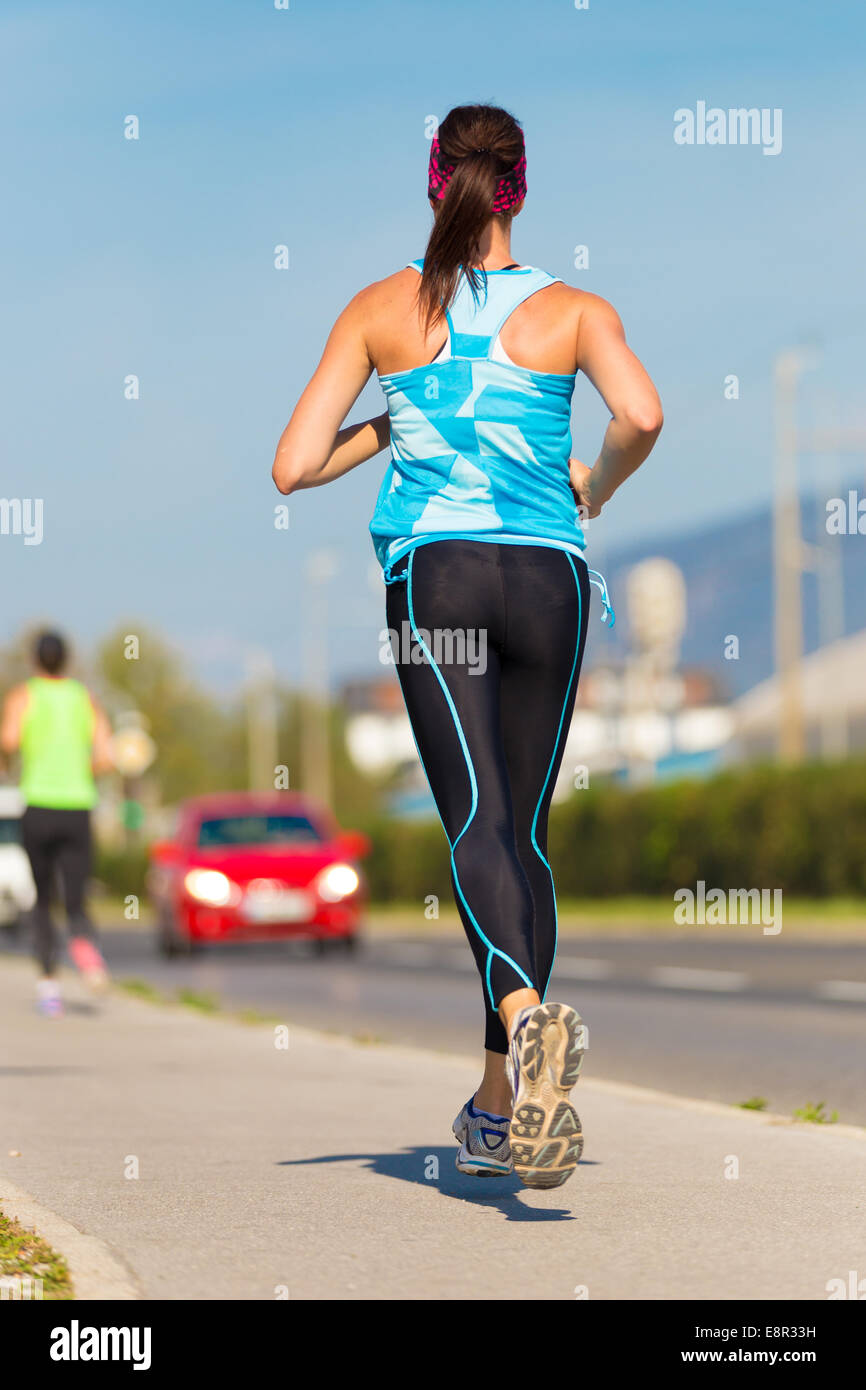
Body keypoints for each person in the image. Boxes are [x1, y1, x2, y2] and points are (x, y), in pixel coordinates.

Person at [272, 104, 662, 1188]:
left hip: (437, 576)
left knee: (474, 828)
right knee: (523, 838)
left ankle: (526, 1016)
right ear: (518, 191)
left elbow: (292, 465)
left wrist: (394, 423)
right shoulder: (574, 308)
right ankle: (503, 1105)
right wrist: (591, 485)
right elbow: (641, 412)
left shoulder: (380, 308)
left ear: (433, 181)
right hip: (550, 579)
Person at [0, 630, 114, 1016]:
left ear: (35, 660)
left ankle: (49, 988)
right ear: (66, 660)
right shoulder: (85, 698)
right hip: (77, 806)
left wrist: (12, 765)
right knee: (76, 895)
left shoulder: (23, 696)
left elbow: (9, 740)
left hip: (39, 805)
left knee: (42, 900)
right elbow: (105, 755)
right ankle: (85, 951)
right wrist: (81, 771)